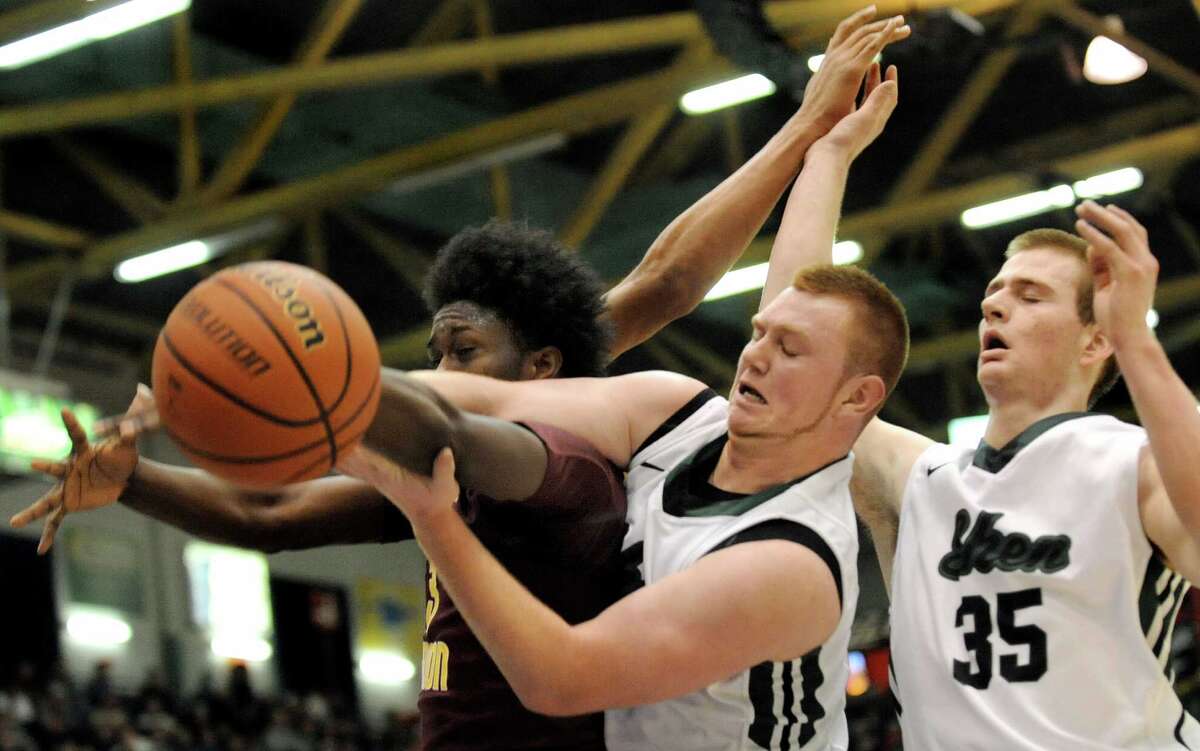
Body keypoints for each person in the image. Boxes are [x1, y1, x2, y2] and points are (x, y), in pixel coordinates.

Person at [11, 10, 910, 750]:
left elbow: (485, 412)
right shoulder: (638, 421)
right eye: (436, 351)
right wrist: (134, 477)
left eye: (464, 347)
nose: (443, 372)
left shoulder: (558, 469)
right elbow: (270, 515)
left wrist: (285, 379)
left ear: (546, 366)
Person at [338, 52, 906, 751]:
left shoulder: (789, 556)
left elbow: (561, 677)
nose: (756, 352)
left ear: (856, 399)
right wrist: (828, 149)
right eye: (759, 333)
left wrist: (433, 516)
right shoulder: (678, 416)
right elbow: (485, 400)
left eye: (787, 351)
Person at [764, 132, 1200, 744]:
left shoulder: (1134, 463)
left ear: (1094, 340)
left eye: (1030, 297)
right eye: (993, 295)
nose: (995, 309)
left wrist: (1136, 336)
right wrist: (827, 155)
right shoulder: (919, 478)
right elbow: (793, 340)